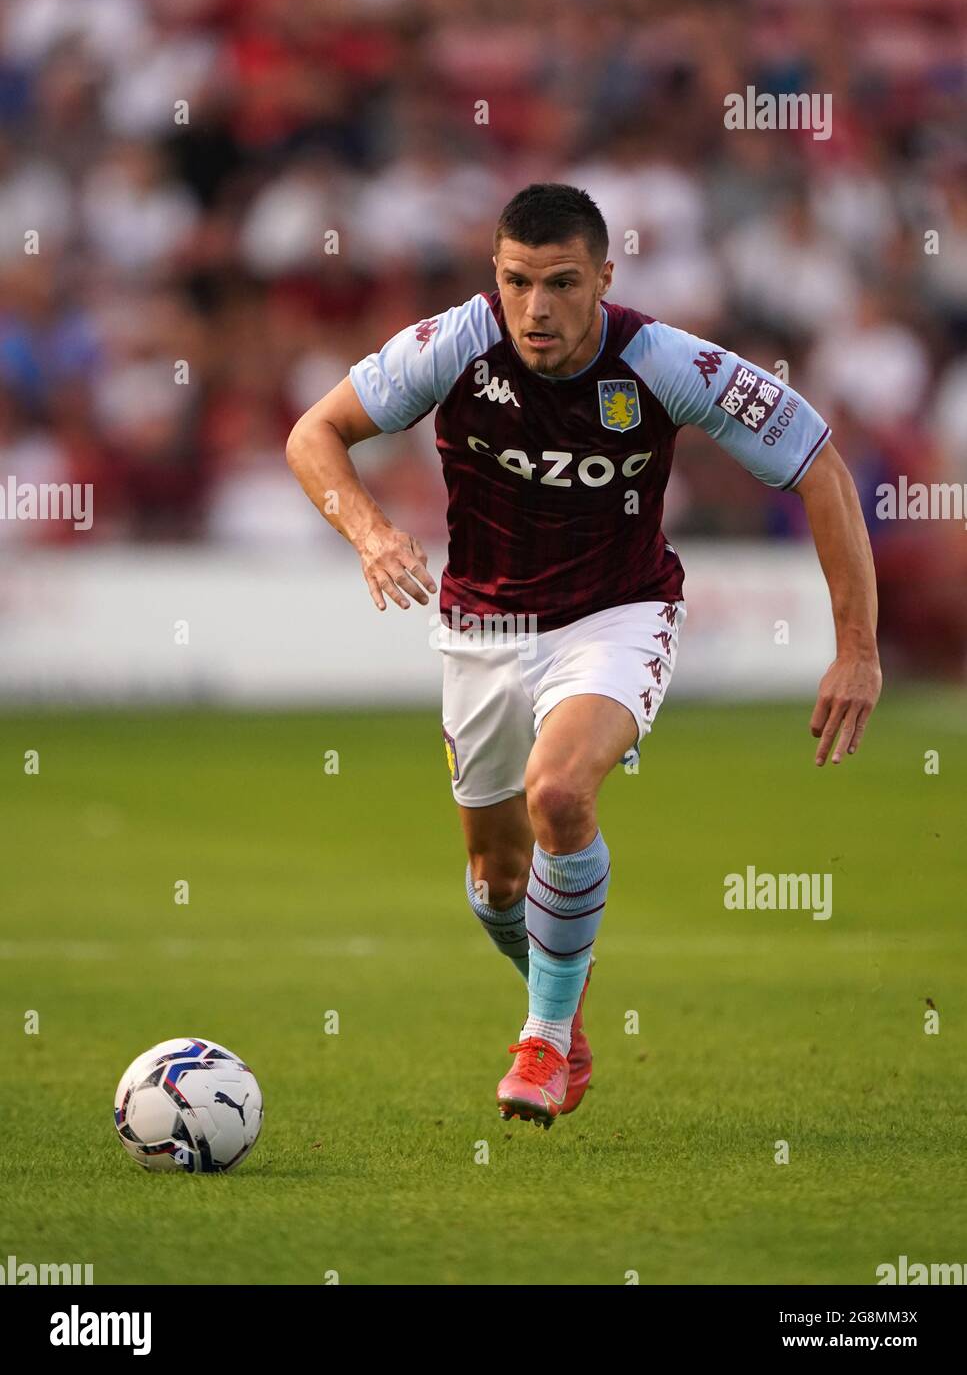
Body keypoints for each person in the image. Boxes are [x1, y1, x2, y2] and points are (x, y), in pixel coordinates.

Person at [286, 183, 882, 1128]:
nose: (536, 308)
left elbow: (817, 464)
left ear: (604, 277)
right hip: (481, 627)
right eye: (518, 281)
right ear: (495, 274)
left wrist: (855, 649)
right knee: (496, 887)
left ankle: (543, 1038)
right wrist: (367, 531)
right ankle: (563, 1019)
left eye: (562, 283)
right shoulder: (452, 345)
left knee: (559, 792)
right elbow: (313, 433)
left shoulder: (662, 359)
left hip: (619, 612)